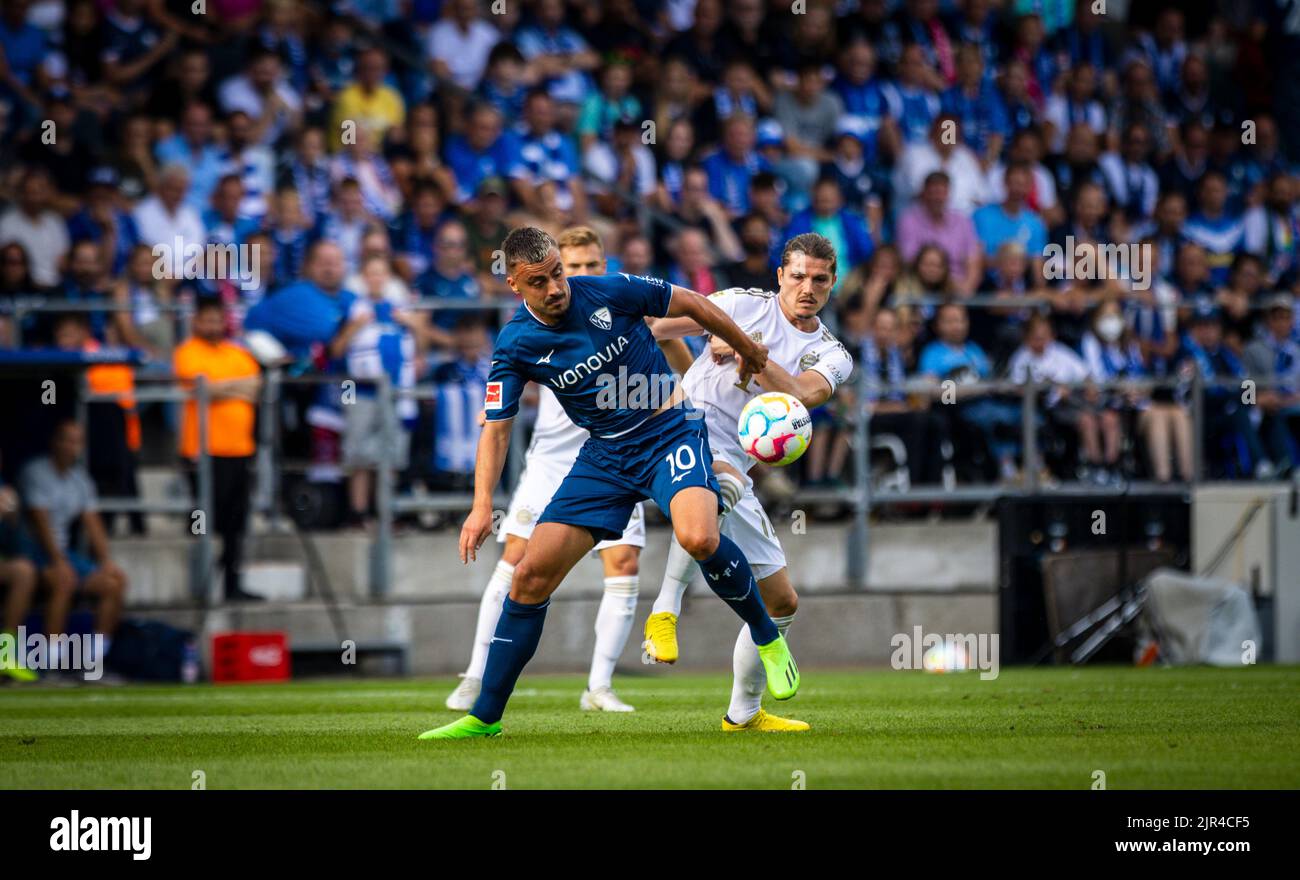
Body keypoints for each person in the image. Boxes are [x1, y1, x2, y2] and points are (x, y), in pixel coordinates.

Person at [419, 226, 795, 741]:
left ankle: (766, 635)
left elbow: (691, 302)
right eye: (540, 281)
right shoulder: (515, 344)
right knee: (529, 576)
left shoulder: (610, 290)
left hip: (669, 431)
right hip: (605, 456)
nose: (556, 287)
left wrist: (746, 346)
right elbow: (496, 429)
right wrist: (481, 504)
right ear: (514, 285)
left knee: (699, 537)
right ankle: (484, 717)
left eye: (558, 273)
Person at [446, 227, 689, 713]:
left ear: (603, 265)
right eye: (570, 266)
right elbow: (514, 387)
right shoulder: (534, 326)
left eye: (588, 265)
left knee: (623, 564)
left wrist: (696, 381)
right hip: (555, 456)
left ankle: (599, 686)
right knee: (518, 563)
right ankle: (476, 676)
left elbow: (676, 337)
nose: (573, 278)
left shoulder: (620, 307)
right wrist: (500, 412)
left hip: (621, 455)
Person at [644, 233, 853, 732]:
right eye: (798, 276)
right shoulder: (738, 302)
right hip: (686, 427)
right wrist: (714, 339)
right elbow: (654, 326)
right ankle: (665, 610)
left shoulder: (833, 353)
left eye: (819, 279)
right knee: (718, 487)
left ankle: (744, 714)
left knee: (782, 602)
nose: (808, 287)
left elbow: (802, 394)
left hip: (738, 458)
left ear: (832, 283)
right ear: (780, 275)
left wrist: (745, 351)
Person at [173, 299, 263, 601]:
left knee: (236, 522)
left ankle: (232, 583)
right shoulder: (187, 351)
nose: (213, 326)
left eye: (217, 320)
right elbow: (199, 388)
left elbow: (255, 387)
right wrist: (231, 387)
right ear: (196, 321)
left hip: (239, 449)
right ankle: (200, 583)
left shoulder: (237, 352)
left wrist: (220, 388)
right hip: (202, 450)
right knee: (203, 517)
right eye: (206, 320)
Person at [19, 420, 127, 671]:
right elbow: (40, 522)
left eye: (76, 441)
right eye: (66, 439)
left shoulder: (80, 479)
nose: (70, 446)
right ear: (54, 442)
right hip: (33, 549)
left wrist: (106, 562)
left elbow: (93, 524)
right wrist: (58, 561)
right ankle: (50, 663)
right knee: (64, 580)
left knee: (114, 582)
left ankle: (94, 662)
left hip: (63, 553)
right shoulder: (35, 472)